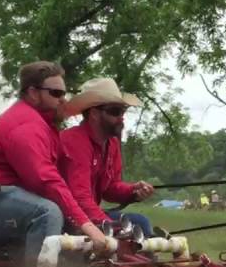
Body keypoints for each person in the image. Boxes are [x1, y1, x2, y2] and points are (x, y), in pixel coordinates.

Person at [0, 61, 113, 265]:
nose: (64, 100)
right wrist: (88, 225)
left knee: (62, 216)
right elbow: (45, 180)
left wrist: (83, 220)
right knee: (47, 212)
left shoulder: (44, 128)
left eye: (64, 93)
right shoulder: (25, 125)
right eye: (56, 93)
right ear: (33, 93)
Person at [58, 77, 155, 235]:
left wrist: (133, 191)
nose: (121, 117)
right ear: (95, 114)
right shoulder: (74, 141)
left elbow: (110, 189)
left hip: (86, 216)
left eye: (123, 111)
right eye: (115, 111)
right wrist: (109, 225)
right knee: (135, 228)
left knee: (141, 222)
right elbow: (79, 197)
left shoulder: (112, 143)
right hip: (67, 219)